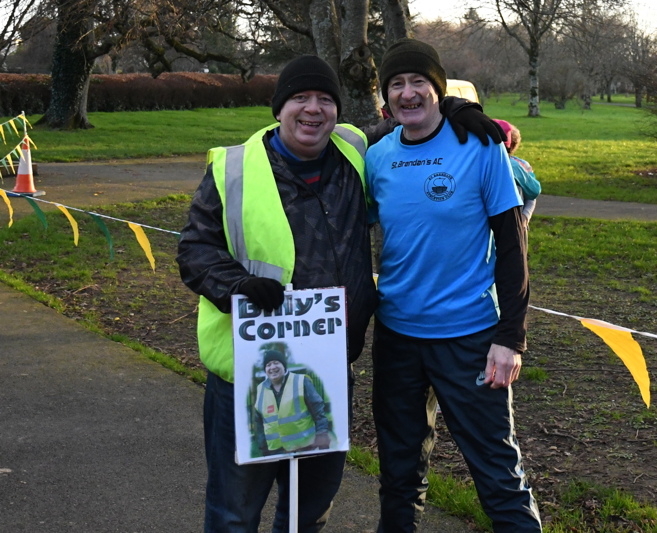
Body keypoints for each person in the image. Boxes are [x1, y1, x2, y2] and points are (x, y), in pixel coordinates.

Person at [176, 53, 506, 533]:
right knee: (234, 513)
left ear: (338, 110)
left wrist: (457, 108)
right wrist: (238, 286)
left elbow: (411, 112)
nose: (313, 110)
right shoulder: (234, 169)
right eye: (300, 98)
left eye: (325, 99)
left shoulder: (354, 150)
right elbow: (194, 251)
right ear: (278, 108)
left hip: (325, 369)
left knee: (310, 510)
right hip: (248, 373)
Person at [365, 38, 543, 533]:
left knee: (498, 474)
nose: (408, 93)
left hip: (470, 338)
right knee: (399, 473)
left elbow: (512, 246)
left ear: (437, 89)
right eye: (396, 84)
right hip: (398, 337)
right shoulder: (377, 158)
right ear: (386, 96)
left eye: (418, 81)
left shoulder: (480, 147)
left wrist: (511, 337)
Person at [253, 347, 331, 455]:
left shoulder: (301, 381)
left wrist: (322, 436)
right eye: (268, 365)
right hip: (276, 451)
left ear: (284, 366)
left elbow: (318, 411)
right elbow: (259, 421)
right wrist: (263, 447)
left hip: (305, 447)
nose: (272, 367)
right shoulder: (260, 388)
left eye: (276, 363)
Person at [494, 118, 541, 224]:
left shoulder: (474, 162)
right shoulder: (516, 165)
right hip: (513, 222)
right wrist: (525, 217)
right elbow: (534, 191)